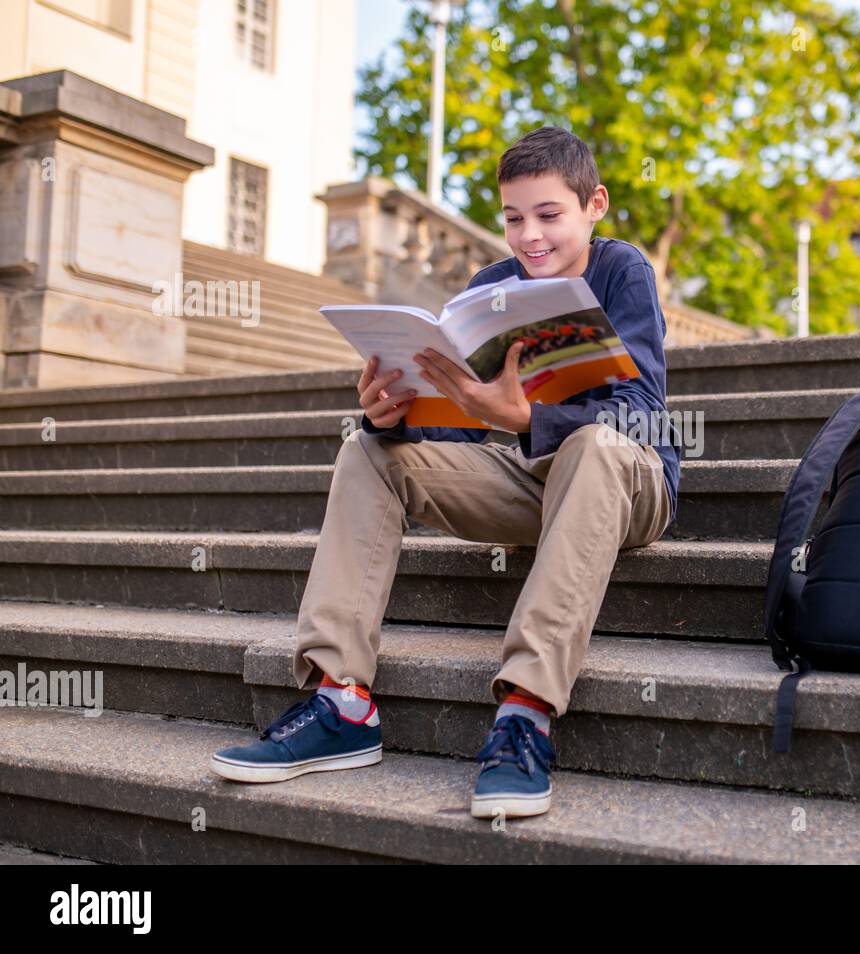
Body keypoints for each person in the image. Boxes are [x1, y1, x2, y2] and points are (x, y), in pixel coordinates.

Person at [210, 126, 682, 820]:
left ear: (594, 205)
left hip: (629, 481)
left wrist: (524, 419)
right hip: (535, 483)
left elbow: (639, 411)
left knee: (592, 448)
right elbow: (457, 429)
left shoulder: (622, 271)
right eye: (514, 217)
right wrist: (390, 412)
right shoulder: (491, 286)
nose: (530, 236)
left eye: (549, 215)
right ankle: (341, 701)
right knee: (367, 451)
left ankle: (524, 712)